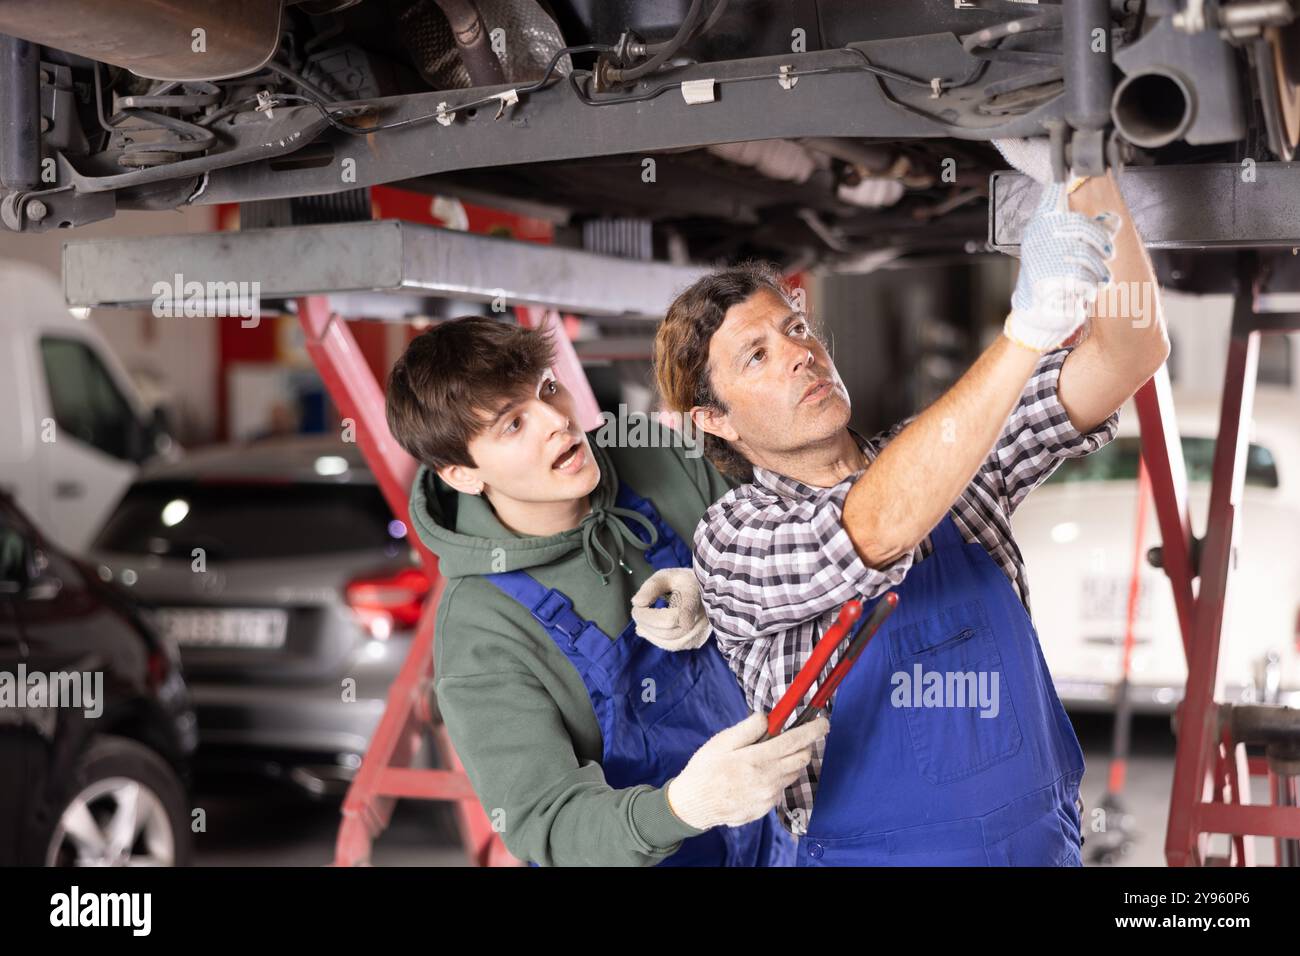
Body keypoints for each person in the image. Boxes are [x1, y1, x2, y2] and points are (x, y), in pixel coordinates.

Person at [651, 169, 1170, 865]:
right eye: (758, 355)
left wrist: (1084, 178)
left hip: (1043, 848)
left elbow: (1129, 353)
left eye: (797, 328)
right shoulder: (736, 537)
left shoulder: (955, 453)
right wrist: (1026, 332)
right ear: (714, 420)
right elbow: (873, 527)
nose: (801, 355)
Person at [384, 316, 827, 866]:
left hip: (784, 835)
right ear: (462, 475)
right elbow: (549, 823)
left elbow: (809, 547)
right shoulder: (482, 627)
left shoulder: (658, 457)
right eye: (514, 424)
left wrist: (723, 590)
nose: (557, 422)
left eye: (548, 389)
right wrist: (685, 806)